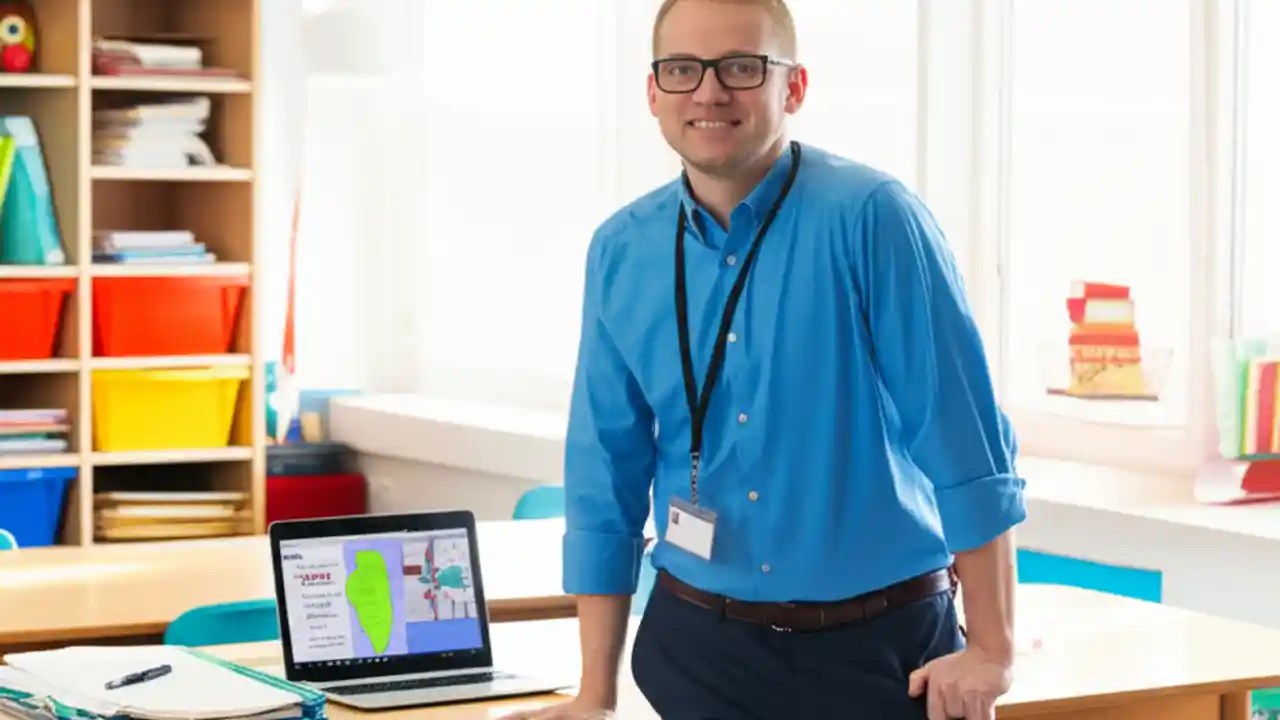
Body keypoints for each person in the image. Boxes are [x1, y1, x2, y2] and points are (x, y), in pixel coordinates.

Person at [507, 0, 1026, 718]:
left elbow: (961, 436)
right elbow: (606, 472)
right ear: (654, 93)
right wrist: (594, 693)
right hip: (694, 652)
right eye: (683, 70)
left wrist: (993, 649)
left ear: (795, 87)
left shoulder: (874, 217)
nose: (710, 92)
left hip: (879, 654)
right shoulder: (621, 250)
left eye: (742, 68)